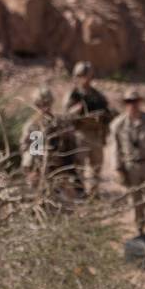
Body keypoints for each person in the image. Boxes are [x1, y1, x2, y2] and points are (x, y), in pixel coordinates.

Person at [109, 87, 145, 233]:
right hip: (131, 168)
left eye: (135, 101)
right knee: (135, 201)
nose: (132, 105)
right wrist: (118, 169)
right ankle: (139, 229)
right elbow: (116, 148)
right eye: (129, 101)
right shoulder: (118, 125)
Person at [61, 61, 116, 196]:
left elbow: (107, 112)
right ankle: (79, 193)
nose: (85, 78)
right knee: (79, 167)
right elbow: (65, 116)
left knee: (96, 167)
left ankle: (93, 194)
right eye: (82, 75)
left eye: (87, 75)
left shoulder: (97, 95)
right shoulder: (73, 95)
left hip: (96, 134)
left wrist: (104, 116)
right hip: (80, 134)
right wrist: (76, 110)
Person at [19, 87, 83, 200]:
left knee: (70, 198)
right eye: (40, 104)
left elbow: (71, 144)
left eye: (46, 103)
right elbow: (29, 149)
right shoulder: (34, 125)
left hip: (61, 167)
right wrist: (33, 169)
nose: (44, 107)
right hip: (39, 168)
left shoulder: (60, 122)